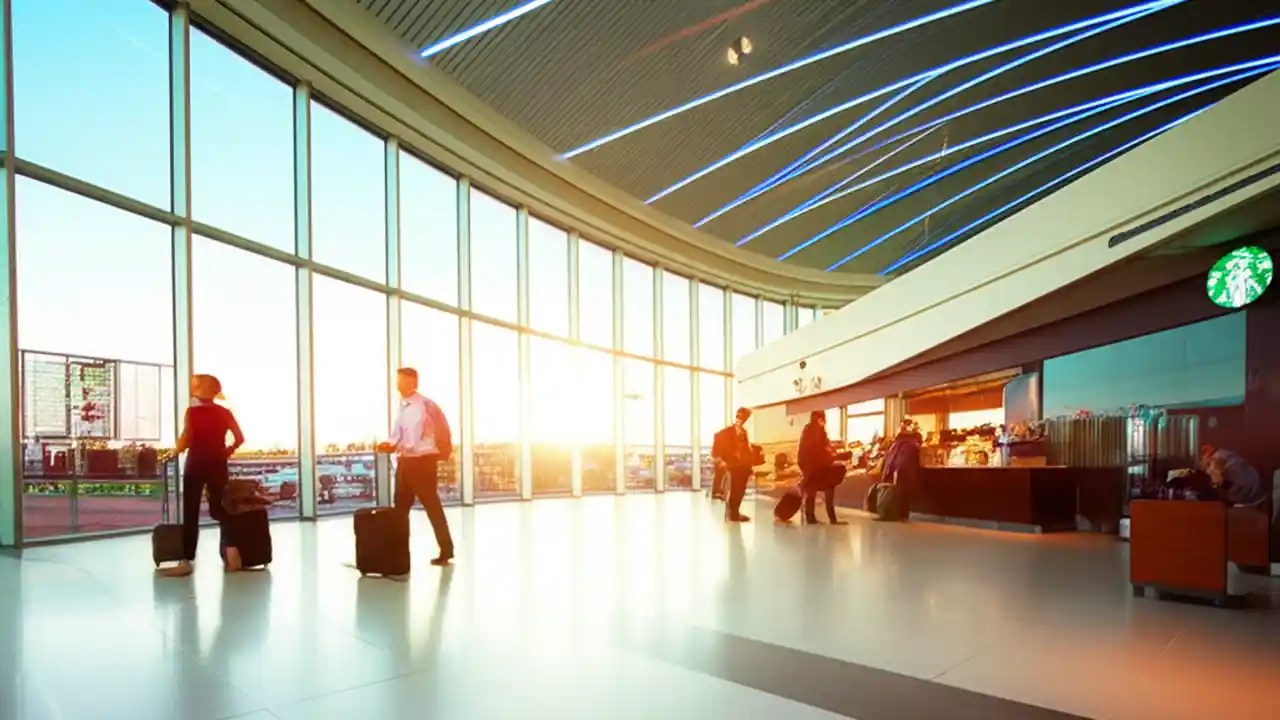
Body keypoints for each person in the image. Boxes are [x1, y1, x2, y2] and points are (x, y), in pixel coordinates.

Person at [377, 368, 455, 566]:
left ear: (412, 382)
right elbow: (397, 435)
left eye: (401, 381)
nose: (397, 385)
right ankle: (398, 554)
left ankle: (446, 550)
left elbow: (418, 439)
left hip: (422, 463)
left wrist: (398, 445)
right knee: (400, 510)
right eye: (397, 381)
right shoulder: (403, 407)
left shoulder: (424, 406)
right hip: (406, 462)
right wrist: (389, 445)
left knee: (432, 507)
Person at [172, 374, 244, 574]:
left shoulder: (192, 413)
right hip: (217, 465)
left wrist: (174, 451)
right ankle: (231, 555)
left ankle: (187, 559)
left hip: (195, 464)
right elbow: (239, 438)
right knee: (222, 509)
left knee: (191, 511)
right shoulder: (224, 412)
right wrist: (226, 452)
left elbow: (186, 438)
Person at [797, 410, 847, 525]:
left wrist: (831, 452)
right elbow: (816, 449)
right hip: (813, 466)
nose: (823, 421)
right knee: (821, 489)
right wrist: (832, 455)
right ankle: (820, 518)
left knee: (816, 489)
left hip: (815, 465)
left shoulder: (814, 430)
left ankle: (814, 518)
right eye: (821, 418)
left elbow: (824, 446)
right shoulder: (813, 430)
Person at [712, 407, 756, 522]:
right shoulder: (725, 433)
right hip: (731, 466)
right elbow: (716, 446)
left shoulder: (744, 432)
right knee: (732, 490)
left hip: (742, 467)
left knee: (740, 490)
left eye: (746, 417)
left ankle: (734, 513)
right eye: (742, 416)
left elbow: (745, 450)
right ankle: (731, 513)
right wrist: (720, 460)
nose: (744, 419)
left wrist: (749, 466)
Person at [1199, 445, 1265, 506]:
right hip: (1251, 496)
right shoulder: (1227, 458)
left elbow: (1217, 479)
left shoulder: (1220, 460)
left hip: (1246, 501)